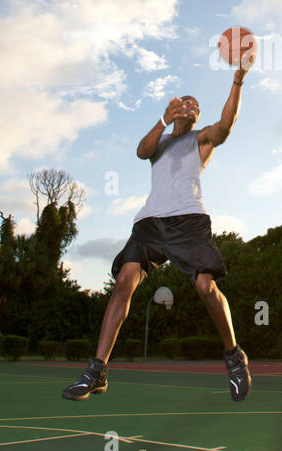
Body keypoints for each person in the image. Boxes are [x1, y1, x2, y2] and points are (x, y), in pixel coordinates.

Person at [63, 62, 252, 403]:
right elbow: (141, 151)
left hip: (188, 220)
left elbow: (226, 125)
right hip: (150, 222)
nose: (191, 107)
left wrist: (237, 81)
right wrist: (163, 119)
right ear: (175, 108)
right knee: (125, 280)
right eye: (186, 103)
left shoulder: (201, 139)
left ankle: (234, 357)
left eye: (196, 106)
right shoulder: (161, 141)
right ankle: (98, 370)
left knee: (205, 287)